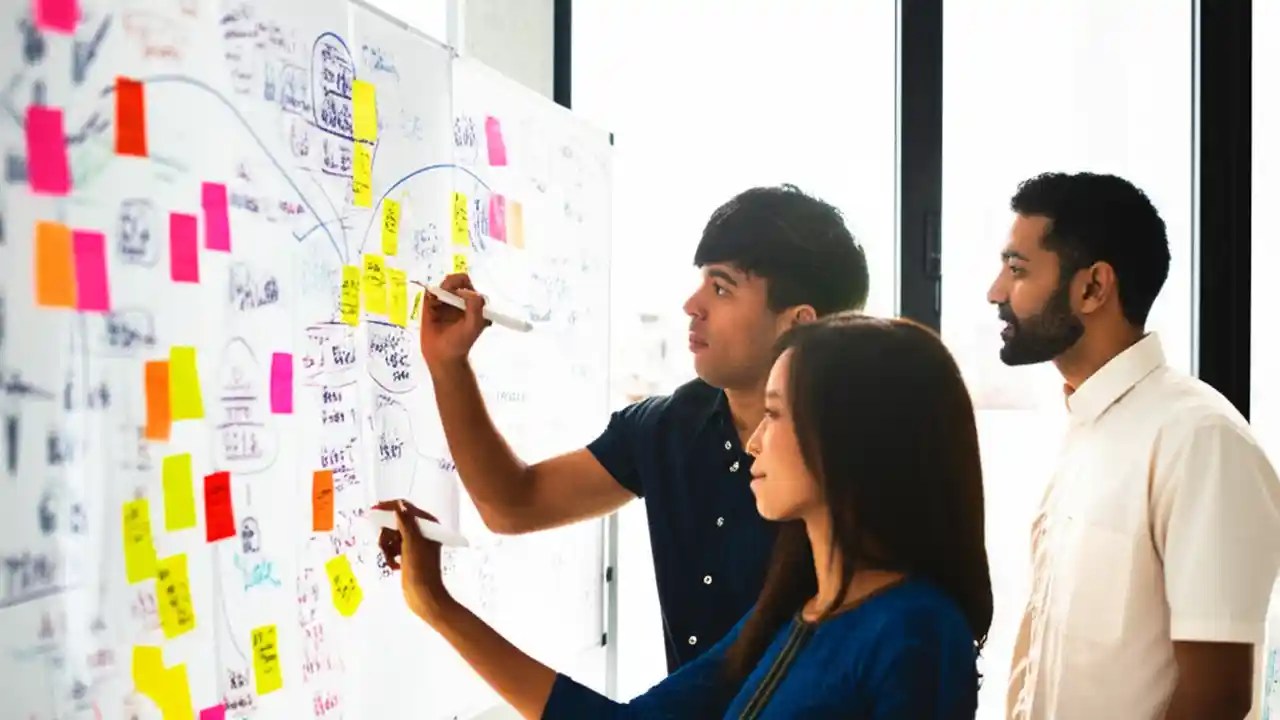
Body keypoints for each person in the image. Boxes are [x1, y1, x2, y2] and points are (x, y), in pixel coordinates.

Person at [379, 313, 992, 718]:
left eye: (774, 416)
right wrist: (437, 604)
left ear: (850, 440)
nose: (754, 442)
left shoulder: (915, 631)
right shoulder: (793, 609)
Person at [416, 184, 869, 670]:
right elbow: (513, 504)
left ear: (798, 323)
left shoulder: (861, 462)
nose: (691, 305)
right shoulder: (669, 426)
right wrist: (448, 366)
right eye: (701, 282)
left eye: (721, 288)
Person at [992, 171, 1280, 719]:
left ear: (1094, 287)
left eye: (1017, 270)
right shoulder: (1086, 426)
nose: (996, 292)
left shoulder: (1200, 439)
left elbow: (1215, 697)